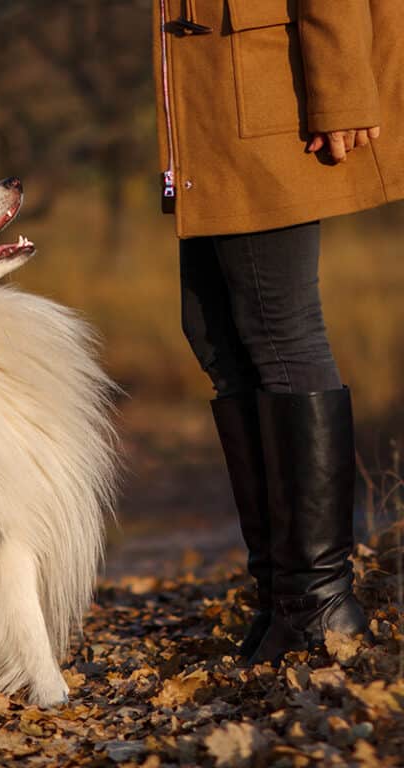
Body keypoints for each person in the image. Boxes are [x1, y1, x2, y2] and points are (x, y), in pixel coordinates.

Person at [151, 0, 403, 664]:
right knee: (211, 330)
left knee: (278, 326)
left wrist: (343, 90)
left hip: (269, 86)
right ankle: (282, 599)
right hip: (212, 87)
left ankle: (320, 606)